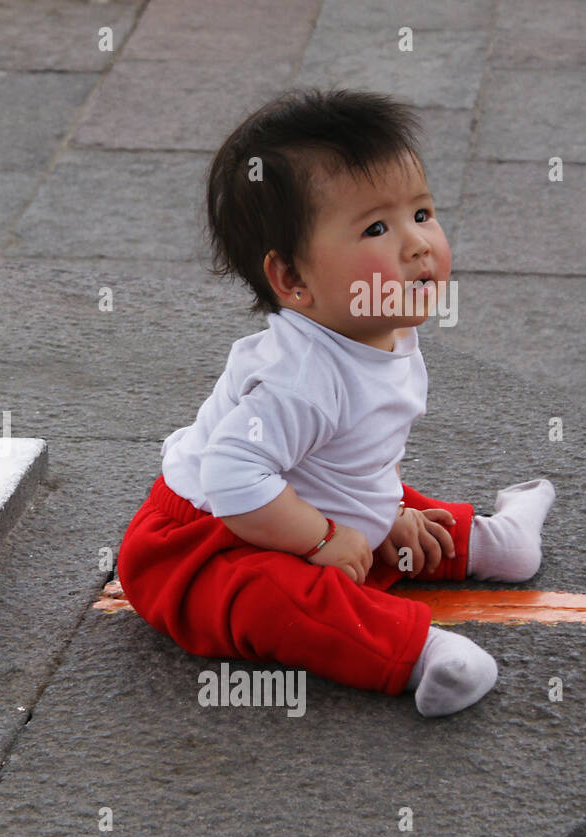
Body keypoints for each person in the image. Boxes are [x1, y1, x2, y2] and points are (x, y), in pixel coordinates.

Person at [116, 88, 556, 717]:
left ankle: (496, 543)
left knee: (404, 518)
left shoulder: (383, 330)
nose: (416, 244)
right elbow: (232, 475)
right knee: (279, 600)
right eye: (377, 228)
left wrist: (383, 513)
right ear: (292, 280)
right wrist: (322, 537)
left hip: (294, 504)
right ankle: (418, 654)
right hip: (209, 539)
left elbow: (364, 454)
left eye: (423, 214)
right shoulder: (299, 378)